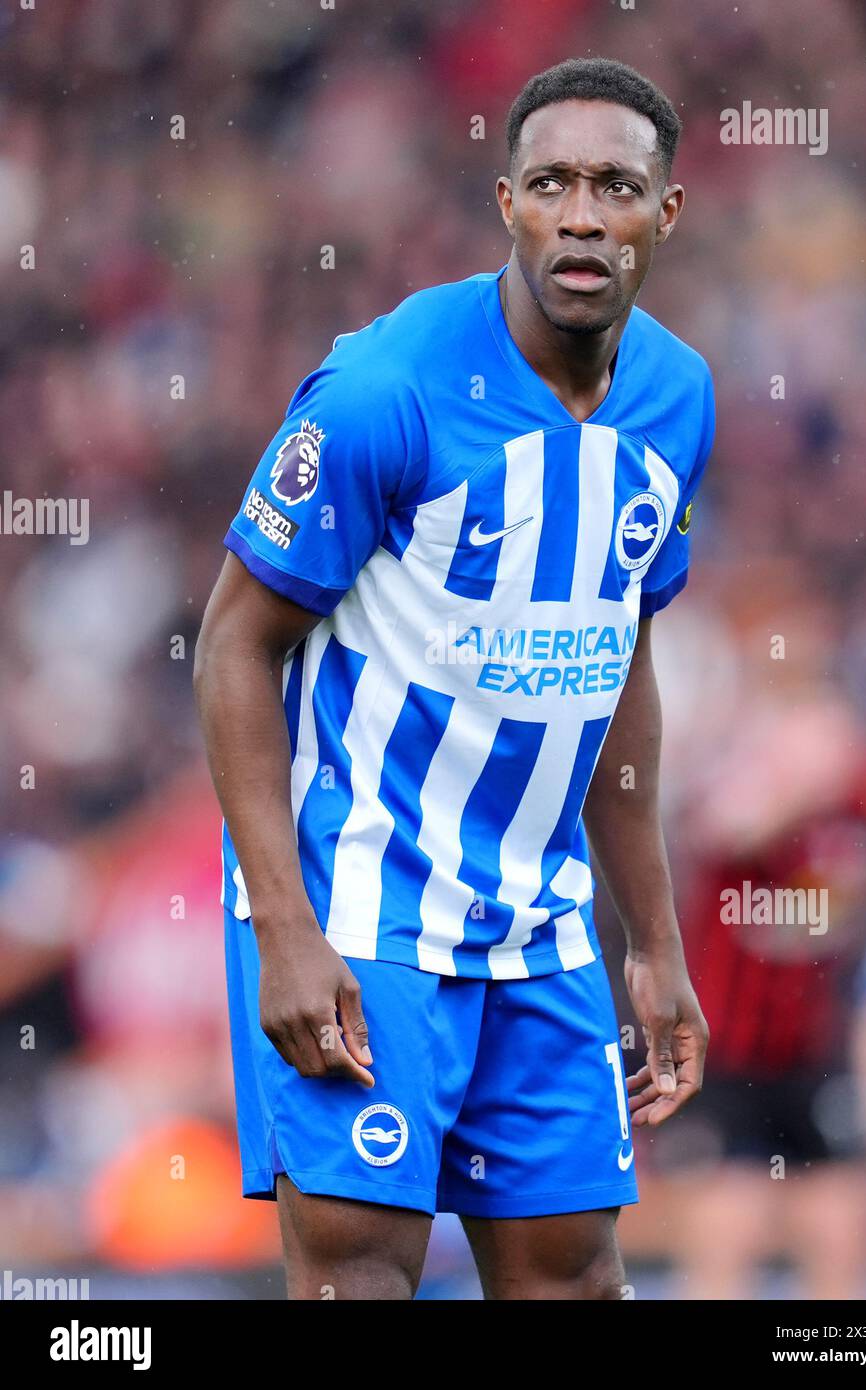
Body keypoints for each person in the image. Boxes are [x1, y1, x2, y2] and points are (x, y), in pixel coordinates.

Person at [194, 56, 715, 1301]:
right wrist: (286, 932)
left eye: (614, 187)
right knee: (363, 1277)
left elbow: (619, 666)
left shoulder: (678, 399)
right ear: (507, 203)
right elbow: (232, 647)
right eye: (551, 184)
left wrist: (655, 943)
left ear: (665, 212)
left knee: (576, 1279)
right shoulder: (387, 391)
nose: (581, 216)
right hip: (360, 906)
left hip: (540, 923)